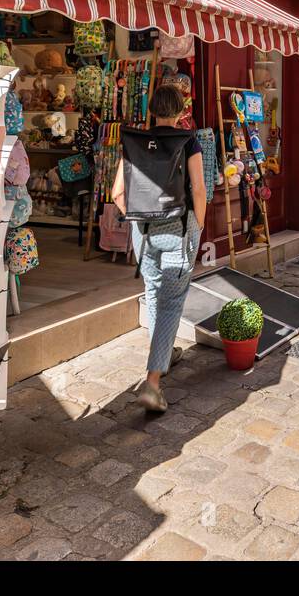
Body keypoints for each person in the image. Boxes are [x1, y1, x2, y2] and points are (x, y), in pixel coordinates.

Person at [111, 84, 207, 412]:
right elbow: (199, 190)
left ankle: (165, 354)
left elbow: (117, 194)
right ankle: (153, 383)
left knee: (153, 293)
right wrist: (200, 225)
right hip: (179, 230)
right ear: (181, 111)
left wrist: (139, 219)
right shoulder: (188, 140)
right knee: (170, 302)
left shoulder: (134, 141)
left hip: (144, 231)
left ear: (152, 110)